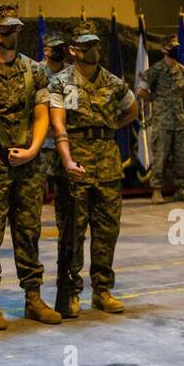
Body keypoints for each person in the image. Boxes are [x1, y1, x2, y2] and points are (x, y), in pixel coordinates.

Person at [0, 4, 62, 329]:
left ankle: (33, 297)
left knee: (28, 233)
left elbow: (42, 114)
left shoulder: (33, 70)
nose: (13, 34)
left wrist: (33, 149)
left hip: (27, 165)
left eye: (16, 29)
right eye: (6, 29)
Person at [48, 29, 138, 317]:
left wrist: (110, 126)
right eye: (88, 46)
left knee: (107, 230)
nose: (94, 50)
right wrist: (67, 158)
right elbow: (58, 124)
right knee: (73, 231)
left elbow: (132, 109)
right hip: (76, 161)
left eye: (96, 45)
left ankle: (102, 290)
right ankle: (71, 292)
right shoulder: (61, 82)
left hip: (108, 162)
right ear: (74, 50)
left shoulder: (112, 81)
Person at [136, 37, 184, 204]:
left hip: (179, 121)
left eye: (176, 47)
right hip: (162, 121)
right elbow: (140, 92)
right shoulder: (156, 70)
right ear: (163, 49)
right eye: (172, 47)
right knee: (160, 156)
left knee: (180, 157)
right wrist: (156, 98)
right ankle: (157, 191)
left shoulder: (182, 70)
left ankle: (180, 189)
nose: (174, 50)